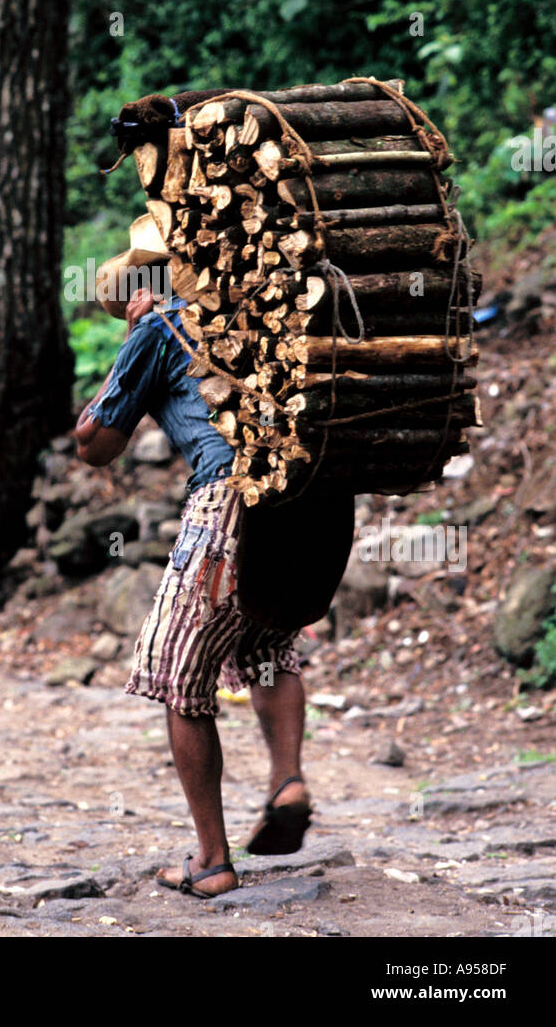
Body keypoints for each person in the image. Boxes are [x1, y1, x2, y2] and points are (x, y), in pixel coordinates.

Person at [73, 228, 354, 899]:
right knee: (266, 643)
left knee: (176, 675)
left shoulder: (161, 325)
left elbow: (96, 444)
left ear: (152, 281)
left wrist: (128, 349)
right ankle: (287, 778)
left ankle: (211, 860)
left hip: (229, 501)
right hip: (314, 495)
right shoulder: (275, 306)